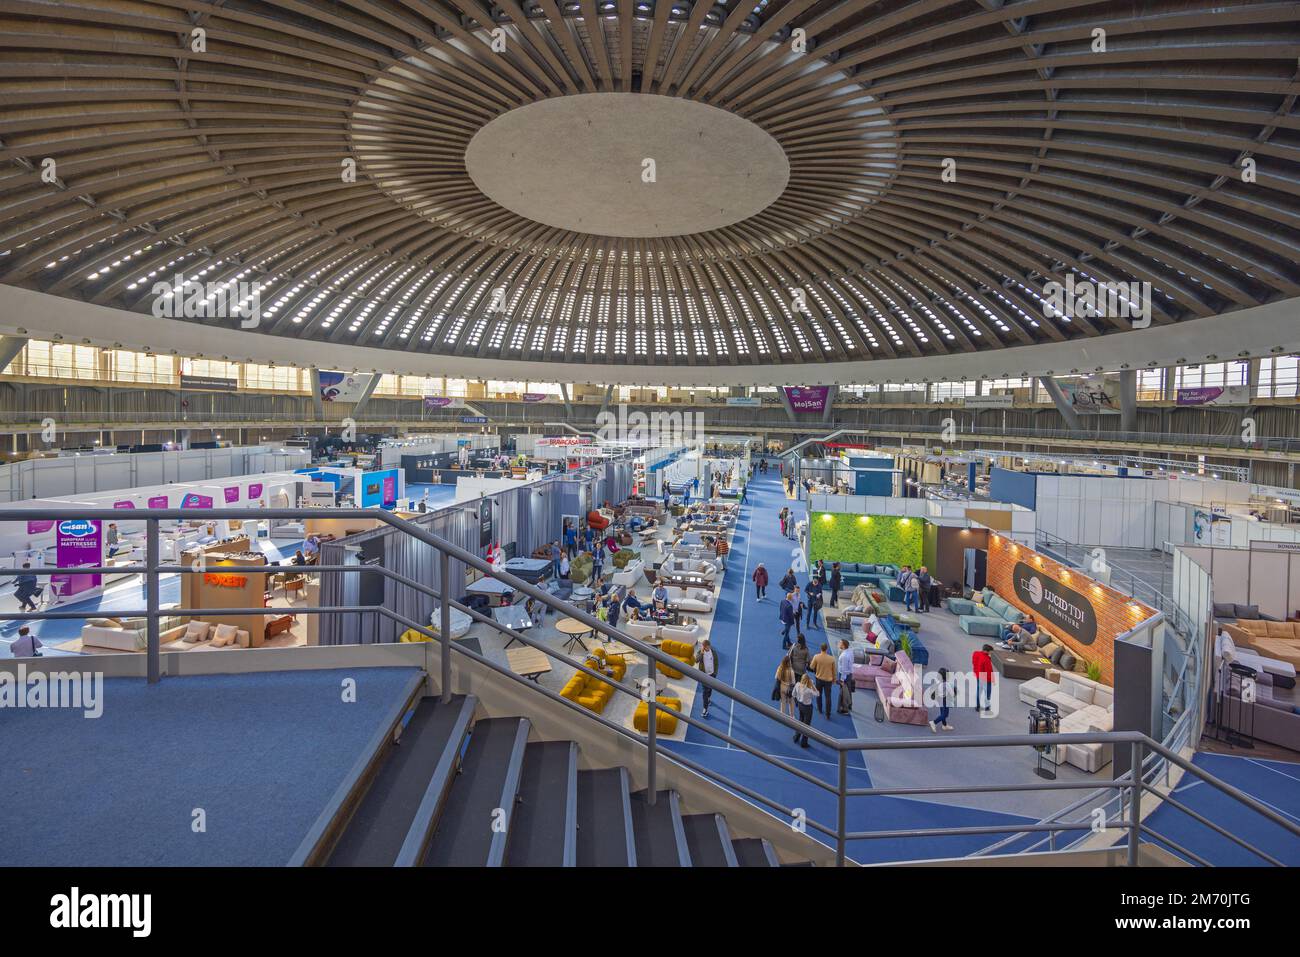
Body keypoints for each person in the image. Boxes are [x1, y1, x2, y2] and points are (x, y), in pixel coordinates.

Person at [810, 642, 837, 718]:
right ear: (827, 648)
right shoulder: (832, 659)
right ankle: (828, 714)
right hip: (828, 681)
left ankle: (820, 709)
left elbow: (811, 667)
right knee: (828, 697)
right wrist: (834, 680)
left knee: (819, 695)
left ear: (820, 648)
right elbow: (834, 671)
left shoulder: (816, 657)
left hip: (819, 679)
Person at [695, 638, 719, 719]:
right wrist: (701, 654)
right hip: (704, 676)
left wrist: (715, 673)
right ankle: (705, 709)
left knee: (710, 689)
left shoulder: (713, 652)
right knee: (705, 691)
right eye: (706, 647)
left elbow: (716, 663)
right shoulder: (700, 652)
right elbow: (696, 660)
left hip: (712, 675)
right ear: (704, 647)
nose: (708, 648)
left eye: (709, 646)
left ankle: (708, 698)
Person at [791, 675, 818, 748]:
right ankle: (804, 743)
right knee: (807, 725)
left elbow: (793, 694)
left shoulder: (797, 685)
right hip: (807, 708)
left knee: (800, 721)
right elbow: (817, 694)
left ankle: (796, 737)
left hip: (800, 705)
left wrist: (797, 700)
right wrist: (812, 685)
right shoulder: (809, 690)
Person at [929, 667, 955, 732]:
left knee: (942, 712)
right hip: (945, 700)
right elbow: (952, 693)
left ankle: (944, 725)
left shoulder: (938, 681)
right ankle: (934, 722)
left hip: (939, 699)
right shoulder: (946, 684)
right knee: (945, 714)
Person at [972, 644, 995, 716]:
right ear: (987, 651)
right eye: (990, 652)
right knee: (987, 693)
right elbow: (989, 671)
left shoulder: (975, 653)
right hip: (985, 677)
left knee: (979, 690)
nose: (991, 653)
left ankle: (977, 706)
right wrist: (992, 680)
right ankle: (987, 707)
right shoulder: (986, 660)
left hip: (978, 674)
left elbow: (974, 662)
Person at [837, 639, 855, 714]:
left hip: (844, 675)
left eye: (840, 643)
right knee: (848, 691)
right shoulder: (850, 651)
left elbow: (844, 669)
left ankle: (844, 709)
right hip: (849, 674)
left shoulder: (844, 656)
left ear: (843, 645)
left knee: (843, 693)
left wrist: (841, 680)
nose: (838, 644)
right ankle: (849, 705)